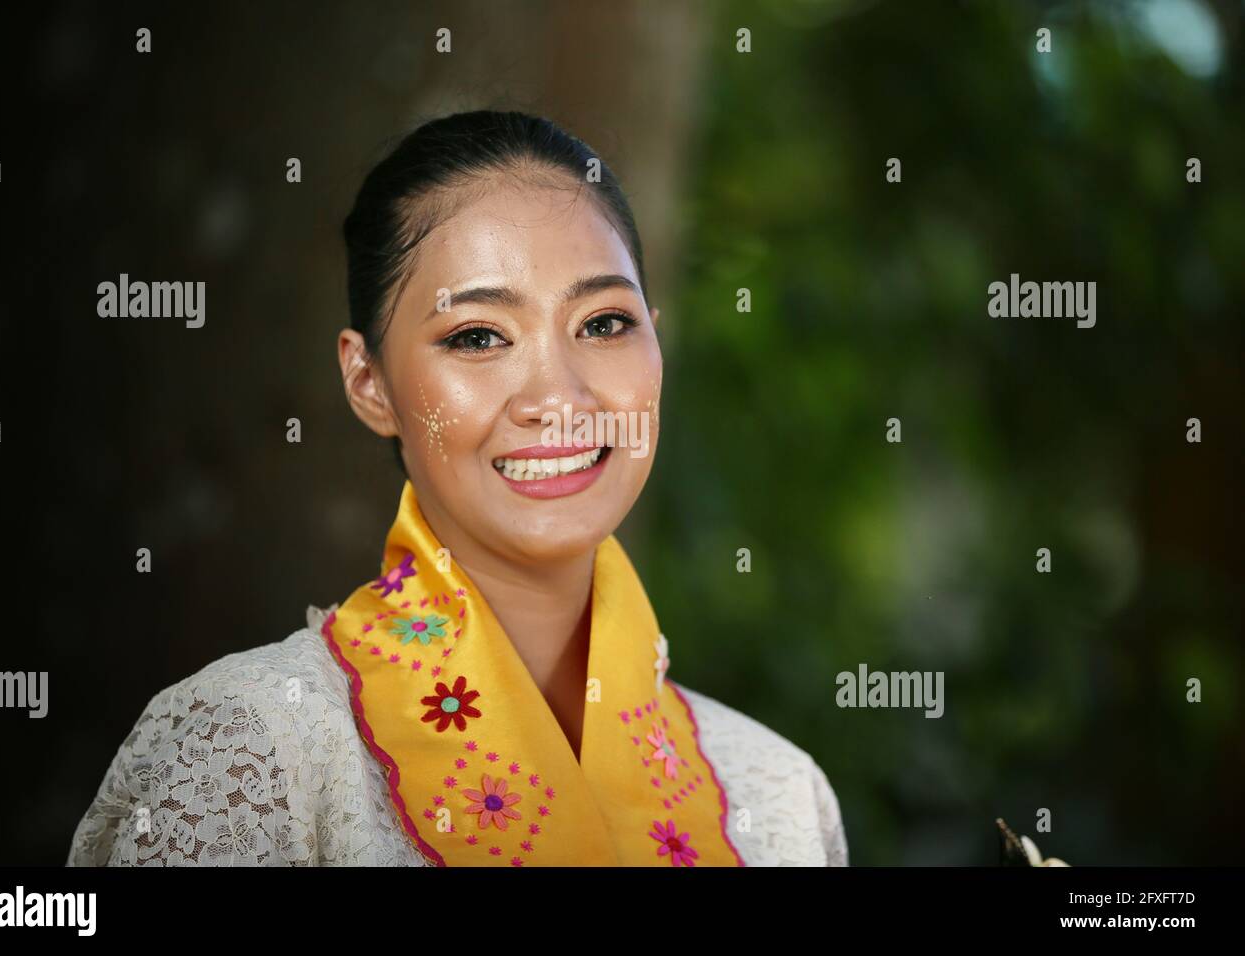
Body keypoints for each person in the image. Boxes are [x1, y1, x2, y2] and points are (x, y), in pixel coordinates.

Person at [66, 110, 847, 867]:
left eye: (604, 323)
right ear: (369, 383)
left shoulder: (775, 797)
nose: (560, 398)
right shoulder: (256, 750)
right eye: (478, 336)